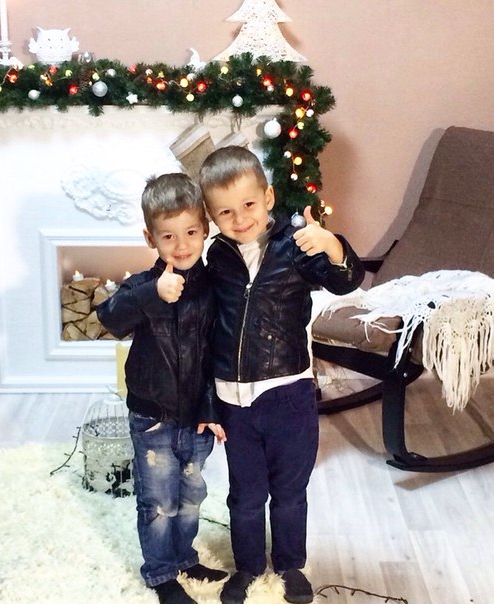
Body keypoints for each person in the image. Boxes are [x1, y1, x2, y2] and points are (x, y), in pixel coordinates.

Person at [199, 147, 365, 604]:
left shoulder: (296, 247)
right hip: (234, 401)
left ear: (268, 198)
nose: (240, 218)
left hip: (288, 394)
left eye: (248, 204)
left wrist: (331, 244)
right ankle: (249, 566)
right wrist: (207, 400)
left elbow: (346, 280)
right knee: (245, 494)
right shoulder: (216, 257)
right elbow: (207, 327)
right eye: (225, 212)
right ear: (211, 215)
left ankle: (290, 564)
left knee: (290, 491)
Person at [96, 173, 227, 604]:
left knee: (191, 495)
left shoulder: (215, 288)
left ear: (205, 230)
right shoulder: (141, 286)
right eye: (168, 236)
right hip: (152, 416)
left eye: (191, 232)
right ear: (150, 238)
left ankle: (184, 557)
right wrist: (153, 294)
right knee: (157, 500)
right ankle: (160, 572)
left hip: (198, 415)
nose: (181, 244)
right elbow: (110, 319)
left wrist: (212, 407)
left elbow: (218, 353)